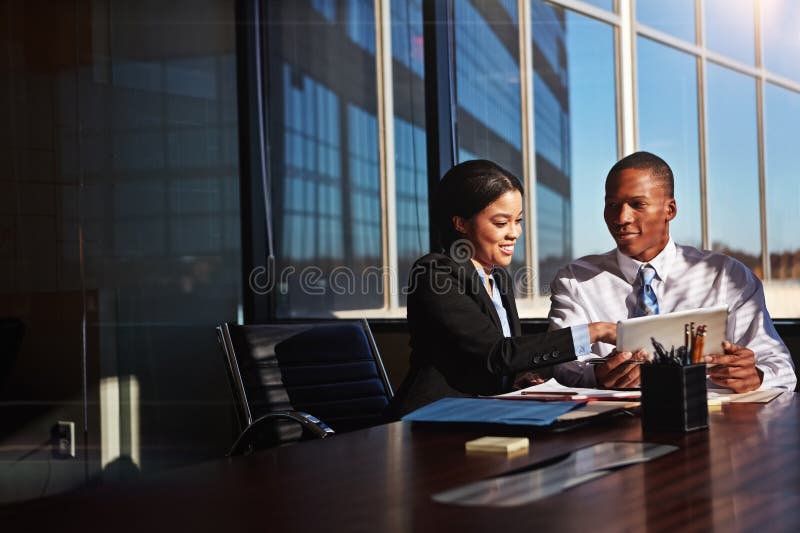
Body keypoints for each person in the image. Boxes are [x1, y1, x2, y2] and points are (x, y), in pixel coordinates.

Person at [548, 151, 796, 392]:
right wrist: (596, 375)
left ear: (670, 210)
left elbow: (782, 370)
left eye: (637, 204)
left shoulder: (727, 277)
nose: (621, 217)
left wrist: (755, 377)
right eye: (612, 204)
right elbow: (559, 363)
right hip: (610, 425)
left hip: (712, 423)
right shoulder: (575, 281)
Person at [390, 159, 618, 417]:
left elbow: (493, 365)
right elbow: (496, 354)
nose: (515, 233)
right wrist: (594, 331)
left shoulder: (498, 278)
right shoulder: (436, 274)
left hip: (481, 414)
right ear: (461, 223)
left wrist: (515, 381)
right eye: (501, 223)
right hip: (429, 421)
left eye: (518, 220)